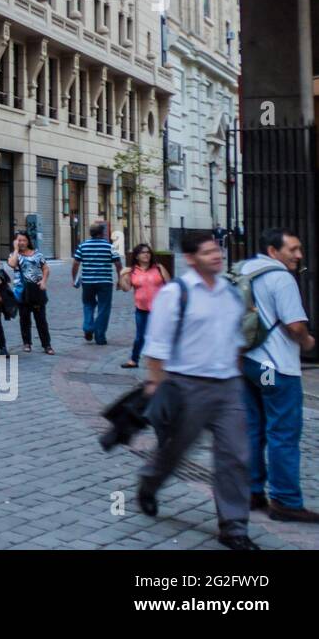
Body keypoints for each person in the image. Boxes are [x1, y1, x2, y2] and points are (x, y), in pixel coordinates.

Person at [137, 230, 256, 550]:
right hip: (187, 386)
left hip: (228, 386)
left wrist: (238, 373)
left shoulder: (231, 294)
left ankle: (233, 527)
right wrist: (156, 385)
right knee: (173, 451)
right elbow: (156, 346)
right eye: (207, 252)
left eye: (216, 250)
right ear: (190, 259)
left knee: (235, 456)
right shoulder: (176, 294)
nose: (216, 256)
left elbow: (237, 341)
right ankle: (149, 483)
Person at [239, 228, 319, 523]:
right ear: (273, 251)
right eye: (293, 250)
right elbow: (295, 326)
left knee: (253, 427)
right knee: (283, 431)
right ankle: (285, 500)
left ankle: (251, 490)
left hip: (247, 363)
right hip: (273, 369)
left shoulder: (244, 269)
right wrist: (309, 343)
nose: (299, 255)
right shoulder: (281, 278)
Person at [73, 220, 124, 345]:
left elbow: (75, 263)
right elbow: (118, 264)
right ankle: (100, 336)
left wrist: (74, 279)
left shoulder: (83, 245)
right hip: (105, 282)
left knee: (88, 304)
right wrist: (120, 279)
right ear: (102, 233)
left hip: (88, 282)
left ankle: (88, 327)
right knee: (104, 308)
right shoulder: (110, 246)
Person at [119, 243, 168, 369]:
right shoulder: (132, 271)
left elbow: (170, 284)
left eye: (148, 252)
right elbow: (125, 288)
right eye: (143, 252)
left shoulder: (158, 268)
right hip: (142, 309)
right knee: (140, 337)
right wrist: (121, 275)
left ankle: (167, 361)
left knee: (162, 335)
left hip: (160, 309)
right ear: (136, 256)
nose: (146, 254)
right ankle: (134, 360)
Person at [8, 231, 53, 354]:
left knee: (41, 319)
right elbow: (12, 264)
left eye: (24, 240)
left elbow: (45, 268)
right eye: (19, 240)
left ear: (28, 241)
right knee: (24, 318)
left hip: (37, 290)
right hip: (22, 291)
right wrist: (16, 249)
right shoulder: (14, 255)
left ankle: (47, 345)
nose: (22, 242)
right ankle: (27, 343)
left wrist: (44, 281)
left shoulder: (37, 254)